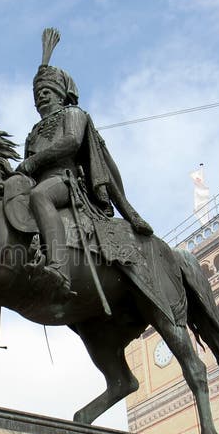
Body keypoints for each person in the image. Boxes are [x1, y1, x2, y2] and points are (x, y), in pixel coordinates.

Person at [16, 28, 153, 294]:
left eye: (47, 91)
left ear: (60, 94)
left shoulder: (74, 114)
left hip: (66, 182)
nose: (41, 95)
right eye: (38, 93)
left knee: (40, 196)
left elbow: (71, 142)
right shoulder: (33, 133)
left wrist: (32, 165)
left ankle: (58, 267)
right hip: (39, 182)